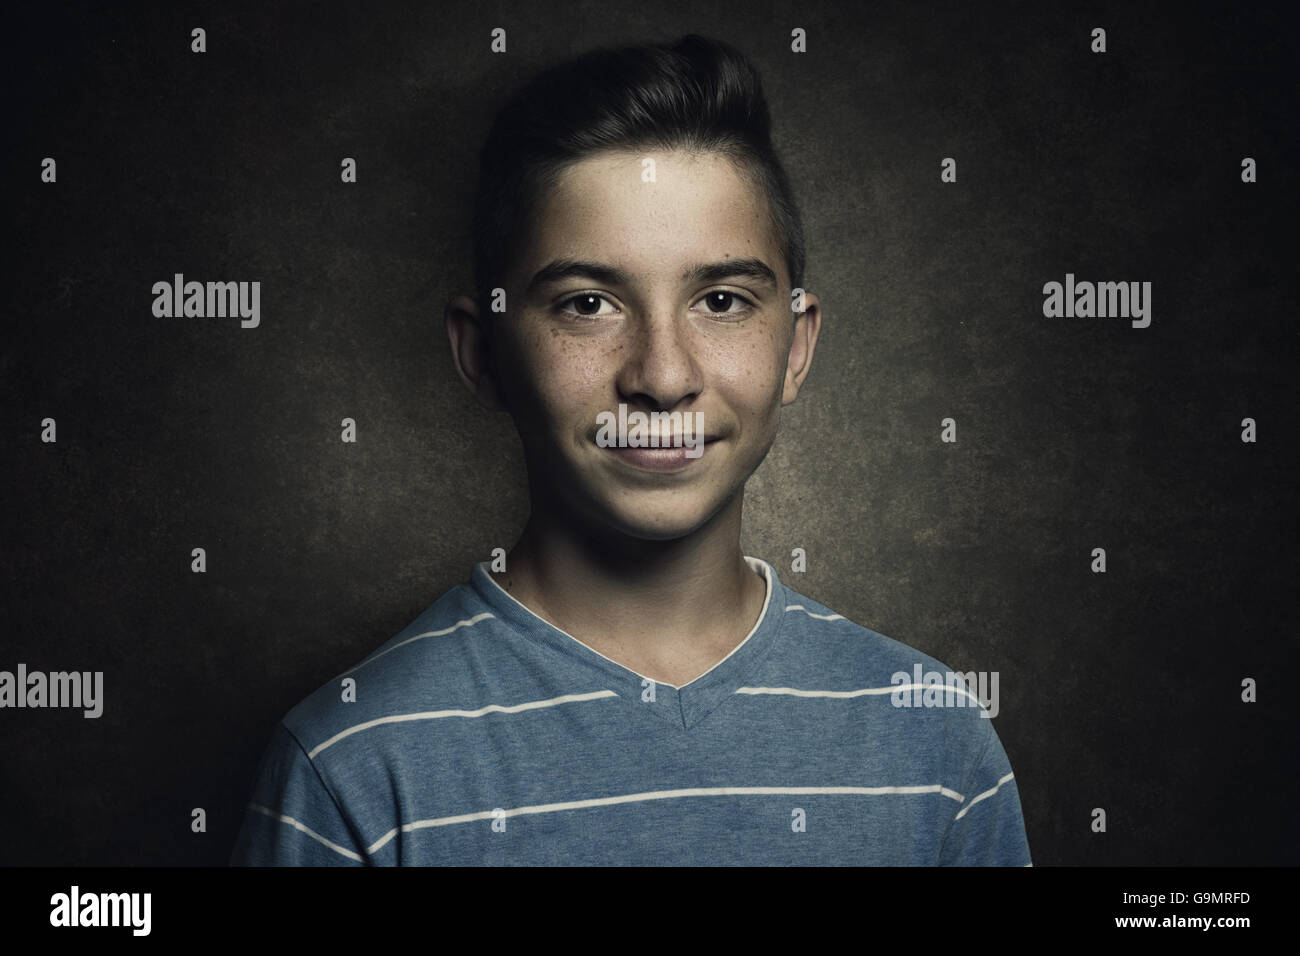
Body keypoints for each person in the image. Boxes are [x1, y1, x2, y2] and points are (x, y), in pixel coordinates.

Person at [231, 33, 1031, 866]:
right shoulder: (351, 769)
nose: (663, 374)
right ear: (483, 352)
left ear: (794, 346)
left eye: (721, 300)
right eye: (587, 304)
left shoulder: (935, 741)